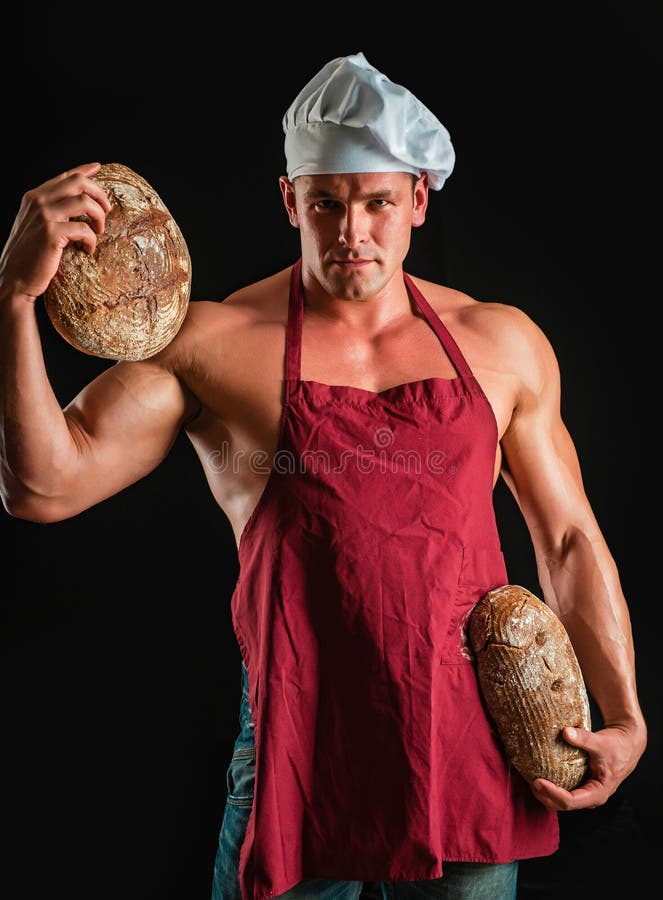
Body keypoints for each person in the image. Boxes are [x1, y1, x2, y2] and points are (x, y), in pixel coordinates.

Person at [0, 51, 647, 900]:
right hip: (293, 752)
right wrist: (13, 299)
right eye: (327, 204)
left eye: (379, 203)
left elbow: (565, 537)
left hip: (466, 749)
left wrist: (625, 715)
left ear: (417, 200)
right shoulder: (212, 342)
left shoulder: (502, 345)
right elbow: (43, 485)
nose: (352, 233)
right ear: (289, 201)